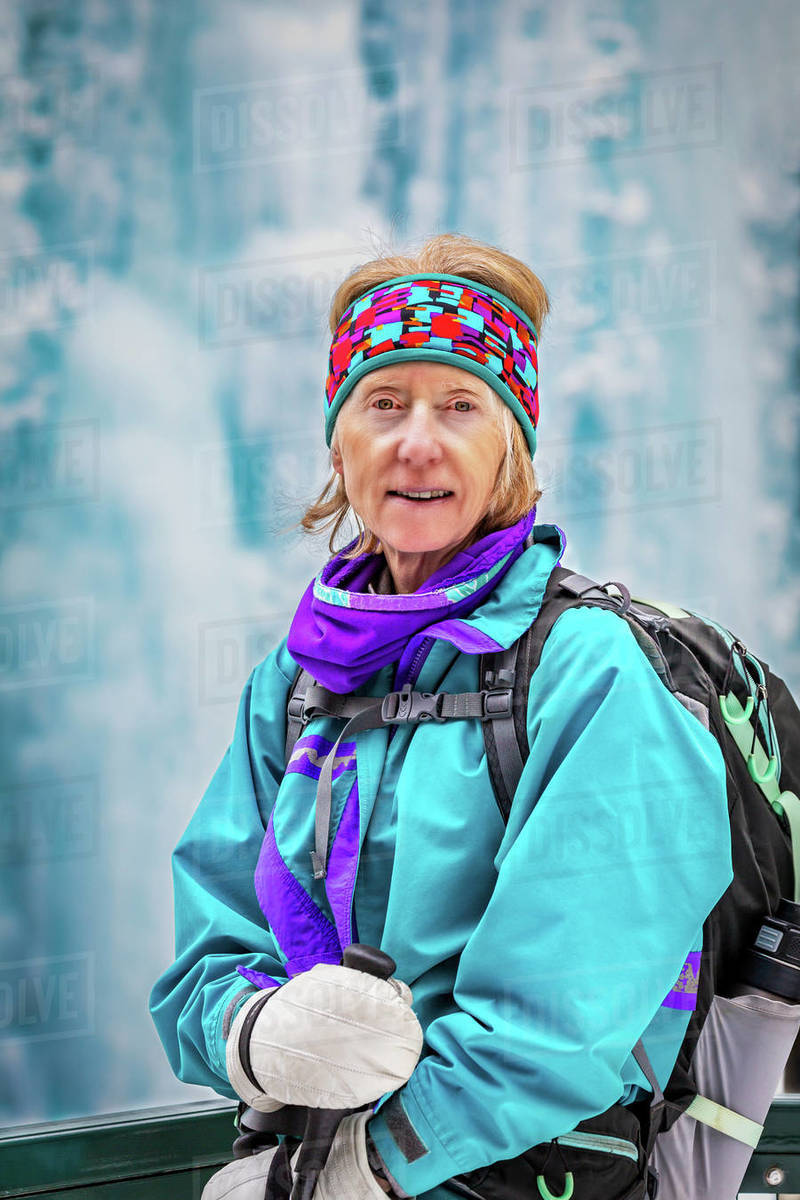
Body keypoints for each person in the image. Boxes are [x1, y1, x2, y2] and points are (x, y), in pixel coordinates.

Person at [149, 233, 733, 1200]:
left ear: (511, 440)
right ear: (341, 440)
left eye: (459, 403)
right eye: (383, 403)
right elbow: (207, 958)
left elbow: (558, 1028)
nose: (417, 442)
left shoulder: (590, 673)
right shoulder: (293, 682)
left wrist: (365, 1170)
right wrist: (258, 1039)